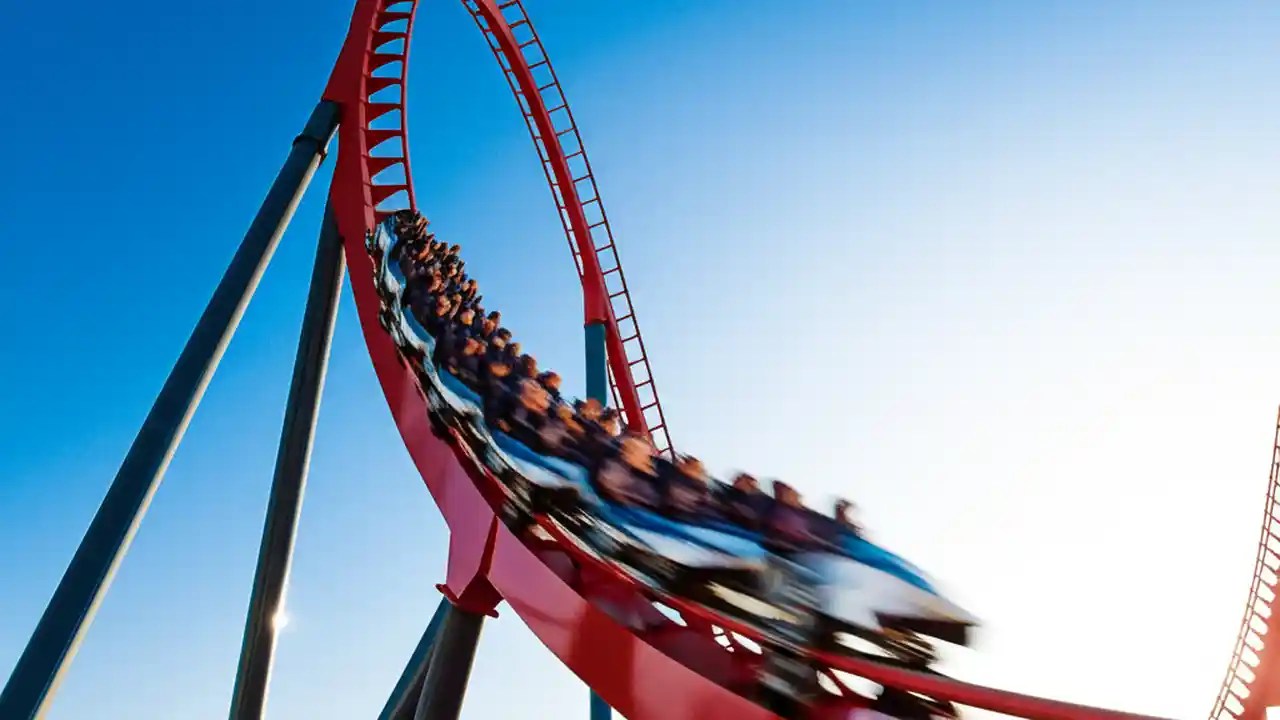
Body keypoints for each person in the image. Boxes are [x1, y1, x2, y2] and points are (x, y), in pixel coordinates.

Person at [594, 434, 661, 509]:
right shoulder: (615, 471)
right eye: (645, 456)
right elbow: (608, 485)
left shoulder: (647, 478)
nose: (647, 461)